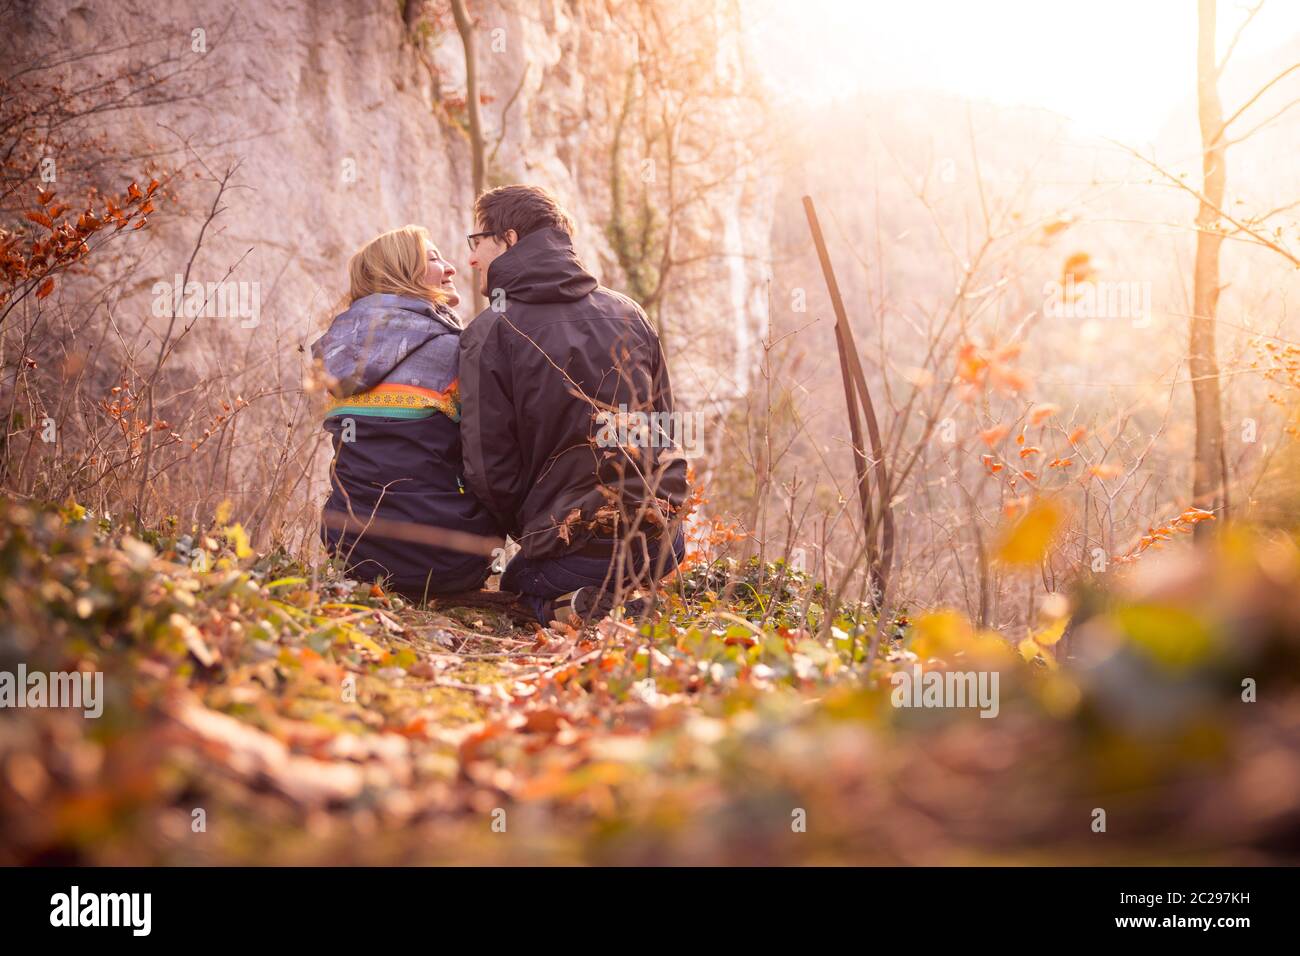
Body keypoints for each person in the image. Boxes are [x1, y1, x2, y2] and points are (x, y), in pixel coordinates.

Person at [459, 185, 688, 624]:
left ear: (508, 239)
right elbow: (664, 429)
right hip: (661, 541)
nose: (470, 259)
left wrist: (538, 531)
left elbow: (488, 472)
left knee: (519, 586)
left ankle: (575, 603)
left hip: (573, 551)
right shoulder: (628, 312)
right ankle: (625, 598)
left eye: (477, 242)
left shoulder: (491, 331)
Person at [312, 225, 503, 602]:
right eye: (433, 259)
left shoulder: (334, 350)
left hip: (352, 552)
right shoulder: (455, 350)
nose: (450, 267)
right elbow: (490, 460)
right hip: (447, 560)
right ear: (402, 272)